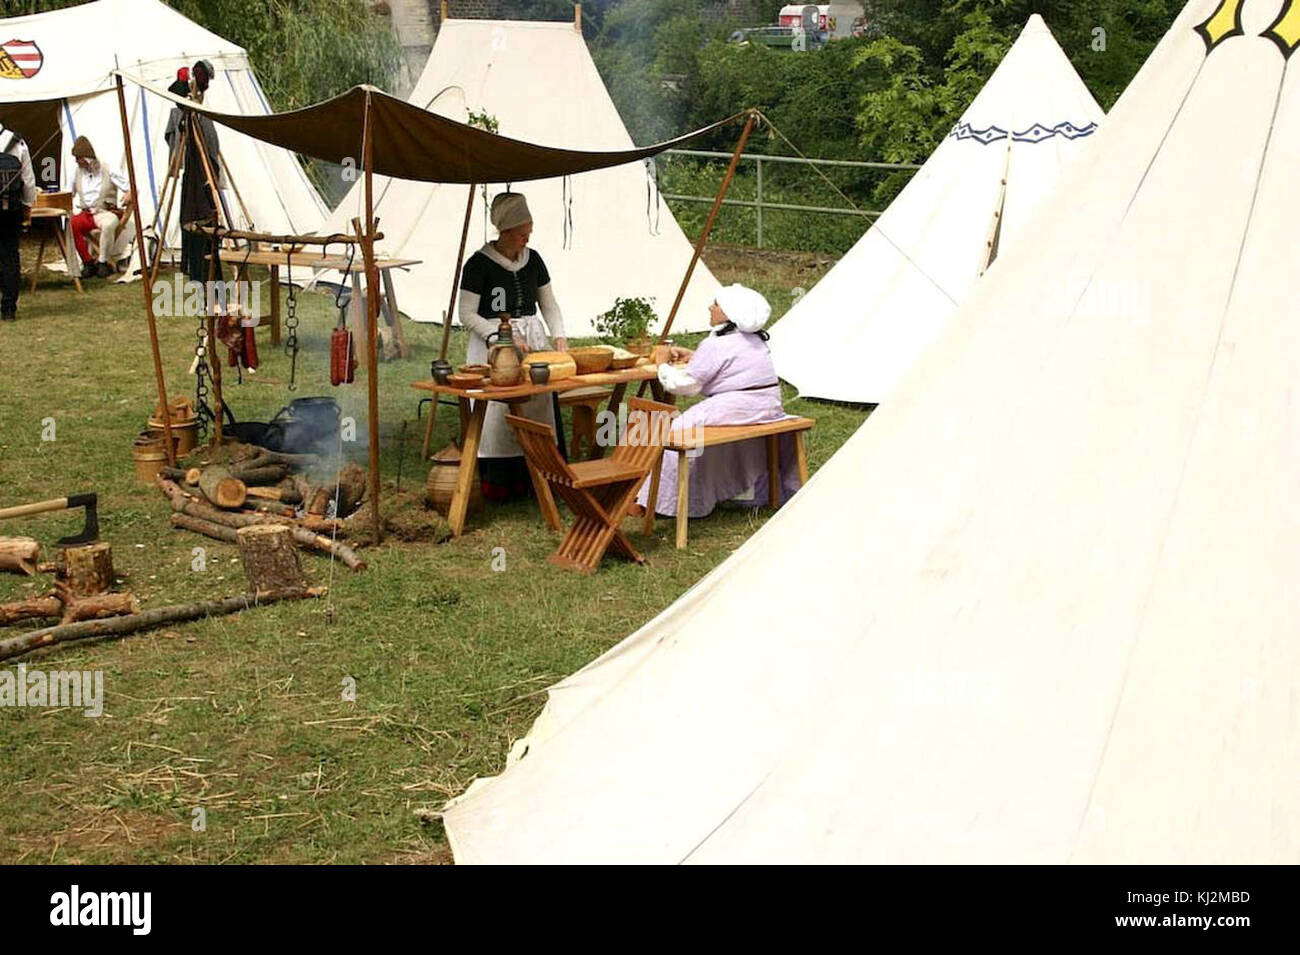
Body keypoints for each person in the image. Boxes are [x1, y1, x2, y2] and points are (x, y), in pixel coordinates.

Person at [634, 284, 801, 518]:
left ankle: (661, 501)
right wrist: (695, 357)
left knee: (676, 429)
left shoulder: (717, 344)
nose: (710, 307)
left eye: (716, 304)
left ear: (729, 312)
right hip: (766, 405)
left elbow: (686, 386)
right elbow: (728, 365)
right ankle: (723, 489)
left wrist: (662, 363)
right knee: (708, 429)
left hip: (738, 407)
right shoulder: (753, 339)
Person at [457, 192, 569, 500]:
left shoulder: (534, 259)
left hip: (532, 342)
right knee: (498, 412)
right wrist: (501, 338)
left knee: (537, 406)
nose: (526, 238)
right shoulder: (479, 264)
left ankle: (541, 477)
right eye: (521, 233)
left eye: (528, 232)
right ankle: (503, 485)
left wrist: (558, 337)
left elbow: (549, 304)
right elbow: (465, 313)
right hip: (493, 347)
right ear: (504, 231)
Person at [172, 60, 224, 285]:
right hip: (195, 175)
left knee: (207, 221)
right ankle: (199, 273)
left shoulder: (204, 118)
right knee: (196, 221)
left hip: (203, 178)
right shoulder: (184, 114)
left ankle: (210, 275)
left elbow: (210, 147)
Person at [69, 136, 133, 278]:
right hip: (86, 213)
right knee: (72, 224)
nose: (76, 162)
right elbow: (69, 193)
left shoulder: (107, 168)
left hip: (105, 212)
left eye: (78, 158)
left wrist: (129, 193)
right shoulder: (77, 172)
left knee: (109, 223)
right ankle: (88, 262)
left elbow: (130, 187)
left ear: (86, 158)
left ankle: (103, 262)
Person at [0, 122, 37, 321]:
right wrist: (28, 205)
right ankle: (8, 309)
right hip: (9, 209)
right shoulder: (17, 142)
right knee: (10, 258)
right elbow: (28, 180)